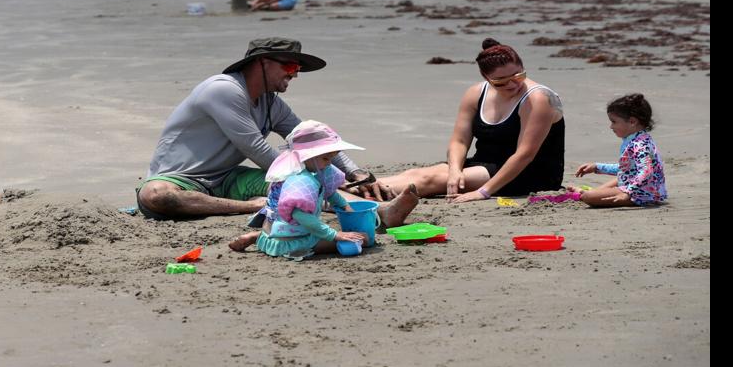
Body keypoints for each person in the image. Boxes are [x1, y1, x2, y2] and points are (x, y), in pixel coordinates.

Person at [137, 37, 417, 229]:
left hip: (227, 179)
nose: (295, 75)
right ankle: (248, 207)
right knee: (156, 195)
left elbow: (314, 139)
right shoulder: (222, 89)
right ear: (262, 63)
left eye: (298, 70)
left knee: (306, 182)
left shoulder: (271, 104)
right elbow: (256, 149)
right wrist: (312, 174)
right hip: (180, 179)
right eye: (290, 66)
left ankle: (381, 212)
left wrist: (354, 175)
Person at [350, 39, 565, 203]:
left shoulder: (538, 99)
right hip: (485, 163)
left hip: (529, 173)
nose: (512, 85)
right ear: (487, 79)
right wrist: (454, 170)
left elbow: (524, 155)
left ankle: (355, 197)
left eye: (518, 76)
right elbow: (459, 141)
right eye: (501, 81)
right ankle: (354, 189)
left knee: (430, 181)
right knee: (418, 173)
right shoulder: (475, 93)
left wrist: (483, 192)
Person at [227, 121, 367, 259]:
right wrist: (334, 235)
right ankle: (257, 238)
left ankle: (258, 237)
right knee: (362, 239)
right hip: (290, 242)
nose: (329, 163)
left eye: (332, 158)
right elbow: (301, 215)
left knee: (349, 236)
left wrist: (344, 205)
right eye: (326, 158)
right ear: (308, 155)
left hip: (277, 232)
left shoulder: (295, 168)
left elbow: (329, 192)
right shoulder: (300, 181)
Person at [573, 94, 667, 207]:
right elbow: (626, 169)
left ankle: (624, 197)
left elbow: (646, 172)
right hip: (640, 185)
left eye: (614, 122)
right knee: (618, 178)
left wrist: (628, 192)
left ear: (632, 122)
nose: (611, 126)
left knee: (588, 197)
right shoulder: (636, 138)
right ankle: (596, 192)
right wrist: (596, 167)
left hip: (644, 192)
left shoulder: (640, 145)